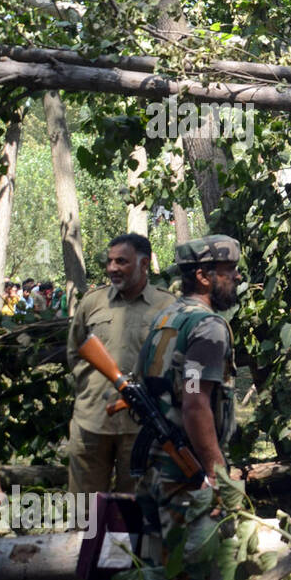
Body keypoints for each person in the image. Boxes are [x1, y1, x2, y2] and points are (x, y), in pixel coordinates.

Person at [135, 235, 242, 548]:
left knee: (160, 573)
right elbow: (195, 404)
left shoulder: (168, 316)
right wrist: (216, 474)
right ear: (203, 276)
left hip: (156, 468)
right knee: (200, 576)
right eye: (229, 269)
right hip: (186, 474)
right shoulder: (208, 327)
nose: (237, 276)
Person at [66, 234, 177, 495]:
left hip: (142, 428)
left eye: (122, 261)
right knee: (85, 516)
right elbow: (75, 352)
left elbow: (176, 364)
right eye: (110, 261)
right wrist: (89, 392)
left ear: (144, 264)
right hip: (91, 422)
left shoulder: (168, 306)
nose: (113, 268)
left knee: (135, 517)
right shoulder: (92, 302)